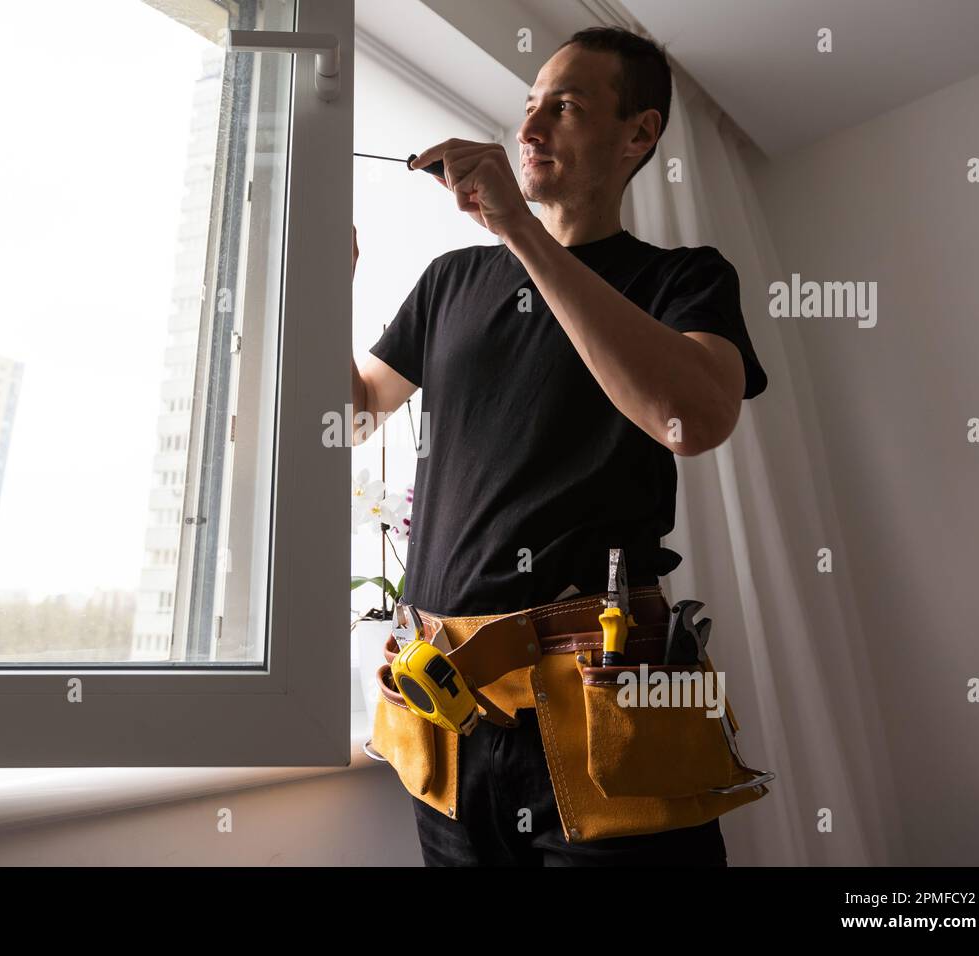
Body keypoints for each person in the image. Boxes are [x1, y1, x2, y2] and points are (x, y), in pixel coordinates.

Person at [351, 27, 769, 866]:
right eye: (530, 105)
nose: (530, 127)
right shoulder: (449, 282)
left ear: (638, 135)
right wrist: (327, 283)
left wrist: (523, 236)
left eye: (566, 107)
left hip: (607, 711)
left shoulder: (683, 277)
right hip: (448, 719)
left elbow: (694, 419)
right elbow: (355, 415)